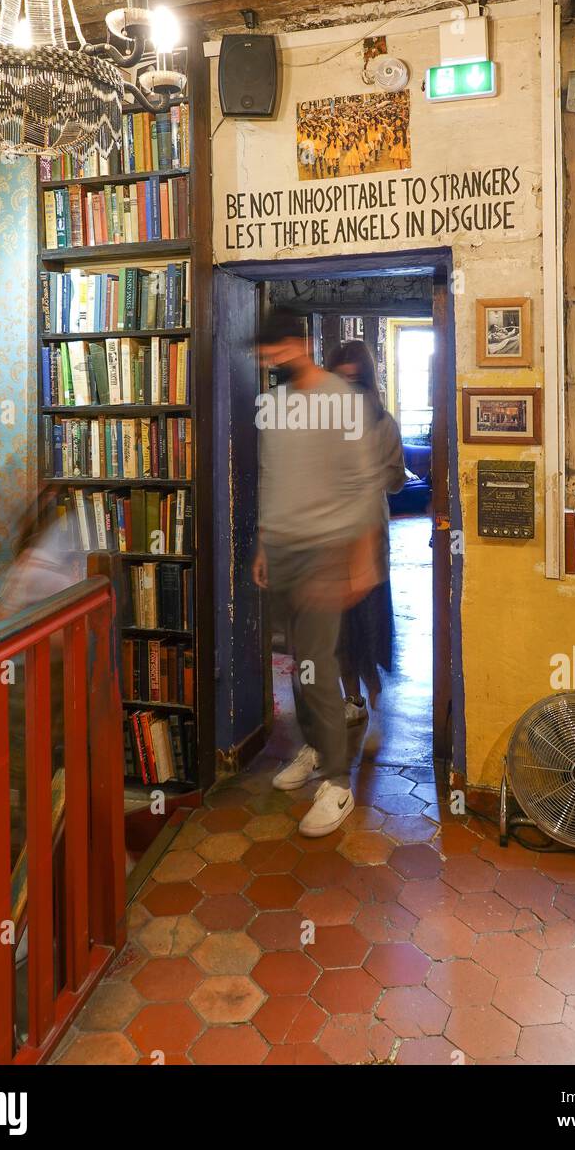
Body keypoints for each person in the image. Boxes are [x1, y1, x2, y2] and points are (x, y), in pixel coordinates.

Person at [253, 313, 380, 837]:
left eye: (276, 348)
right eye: (263, 354)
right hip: (282, 550)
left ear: (300, 344)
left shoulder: (342, 399)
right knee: (296, 665)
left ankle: (337, 783)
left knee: (318, 666)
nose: (270, 360)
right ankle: (312, 748)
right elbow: (271, 479)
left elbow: (364, 485)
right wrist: (264, 545)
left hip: (326, 552)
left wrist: (362, 561)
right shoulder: (274, 405)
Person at [329, 340, 406, 723]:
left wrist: (366, 474)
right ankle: (353, 698)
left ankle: (372, 678)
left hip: (368, 533)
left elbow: (396, 481)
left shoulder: (384, 424)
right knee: (339, 627)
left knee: (369, 618)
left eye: (354, 381)